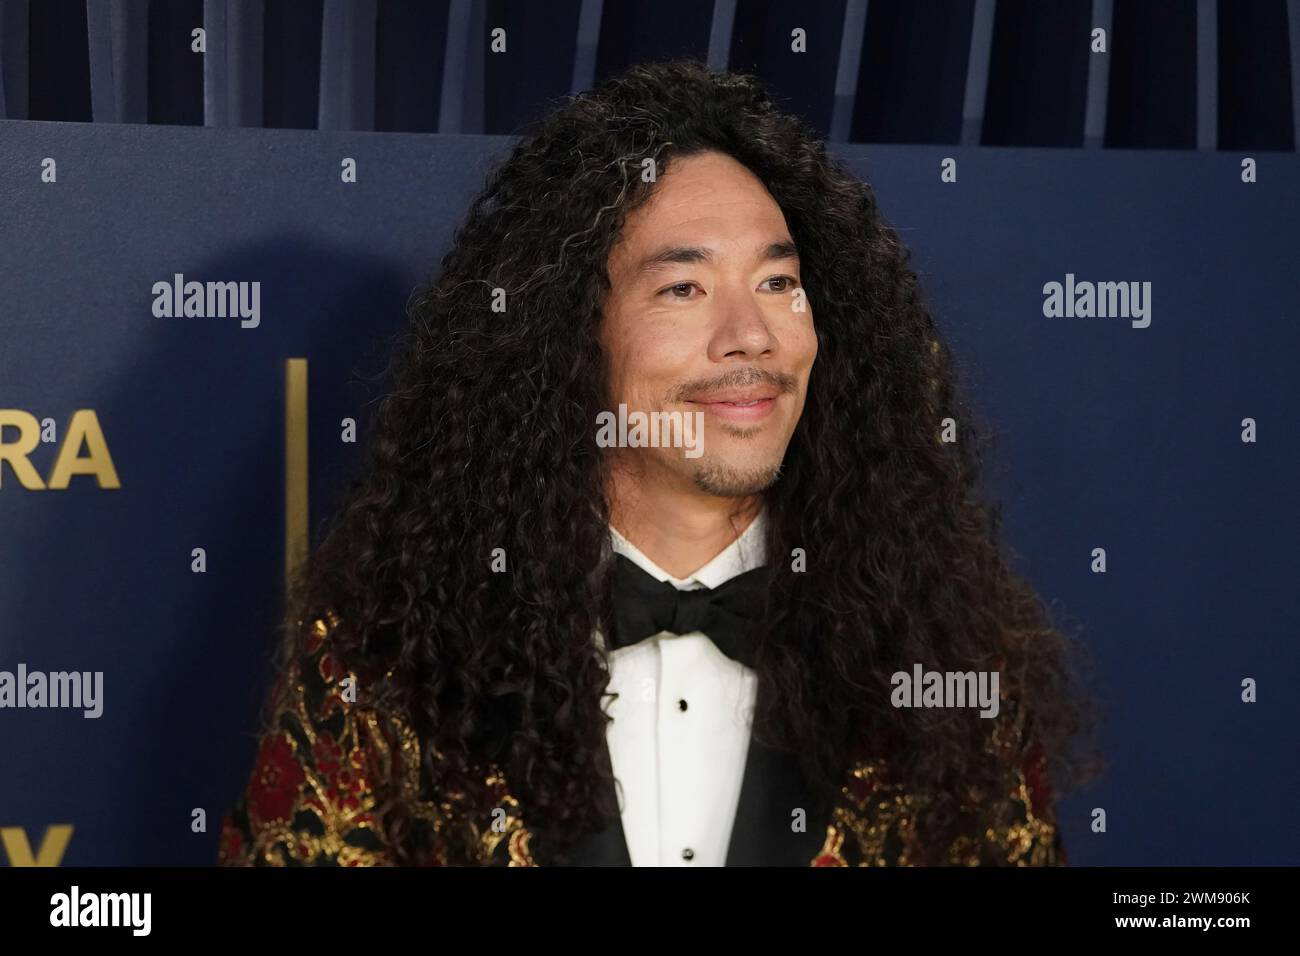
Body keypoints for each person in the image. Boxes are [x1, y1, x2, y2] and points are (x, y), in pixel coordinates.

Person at [218, 59, 1095, 867]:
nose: (750, 335)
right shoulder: (389, 667)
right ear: (570, 335)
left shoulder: (944, 663)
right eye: (684, 287)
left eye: (780, 282)